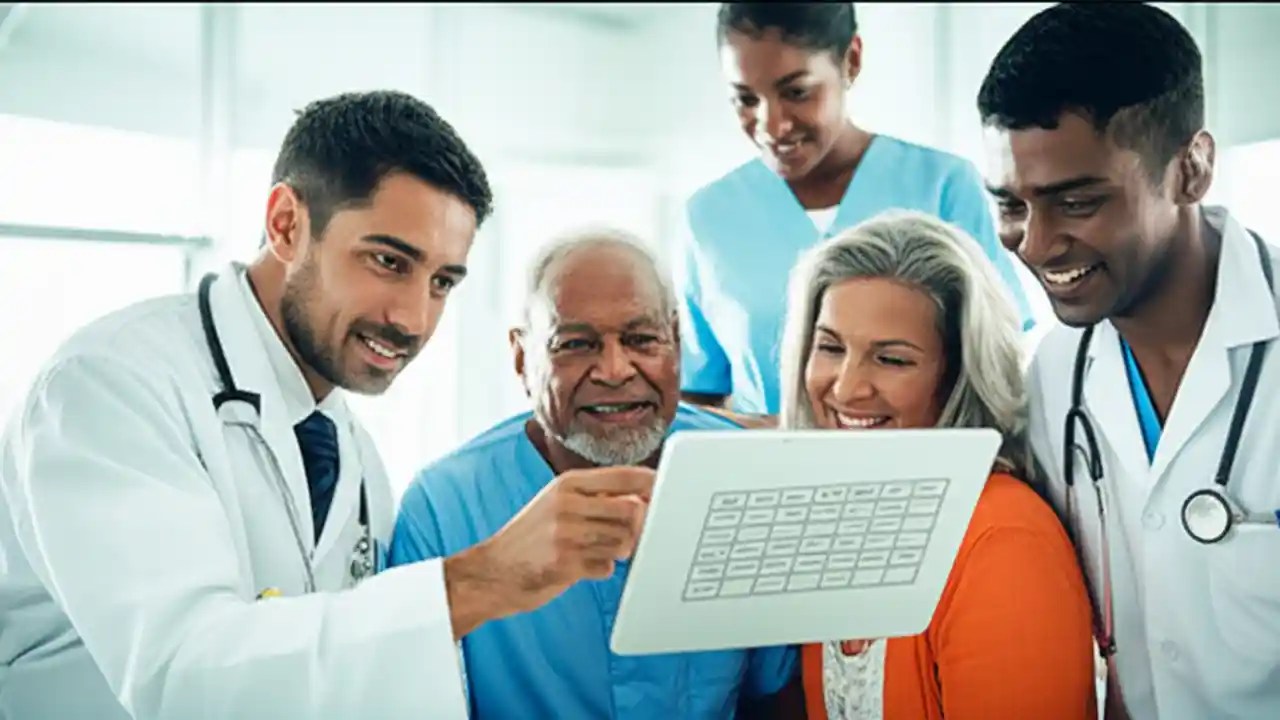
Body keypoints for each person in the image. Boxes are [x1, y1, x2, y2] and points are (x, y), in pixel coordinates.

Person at [0, 91, 657, 720]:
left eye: (441, 282)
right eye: (387, 261)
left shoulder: (352, 457)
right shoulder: (112, 385)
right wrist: (481, 580)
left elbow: (330, 672)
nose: (413, 318)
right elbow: (181, 675)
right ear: (287, 224)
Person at [979, 4, 1280, 718]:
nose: (1036, 243)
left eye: (1077, 201)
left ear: (1192, 169)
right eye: (1011, 206)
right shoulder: (1050, 378)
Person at [388, 227, 799, 719]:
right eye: (575, 344)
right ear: (522, 358)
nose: (614, 370)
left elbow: (776, 692)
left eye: (642, 339)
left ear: (676, 343)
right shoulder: (443, 510)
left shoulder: (746, 473)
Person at [775, 212, 1096, 719]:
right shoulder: (841, 520)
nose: (845, 388)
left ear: (958, 378)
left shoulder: (1004, 541)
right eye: (831, 347)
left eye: (892, 359)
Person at [676, 2, 1034, 428]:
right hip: (767, 468)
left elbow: (997, 366)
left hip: (926, 466)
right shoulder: (709, 217)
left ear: (851, 60)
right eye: (745, 99)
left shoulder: (943, 185)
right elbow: (699, 395)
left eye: (796, 92)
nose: (772, 125)